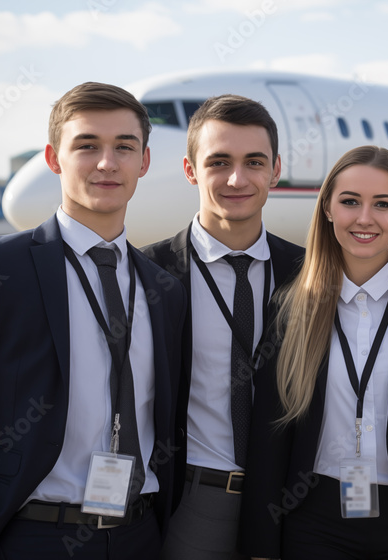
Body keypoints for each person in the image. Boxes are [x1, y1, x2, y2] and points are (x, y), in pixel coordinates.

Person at [0, 82, 187, 560]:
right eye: (87, 146)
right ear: (53, 158)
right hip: (31, 537)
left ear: (143, 161)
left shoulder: (164, 288)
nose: (107, 162)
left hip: (138, 535)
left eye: (124, 147)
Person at [240, 146, 388, 559]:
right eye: (350, 202)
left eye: (383, 204)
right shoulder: (290, 308)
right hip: (315, 521)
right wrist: (261, 544)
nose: (364, 218)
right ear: (327, 209)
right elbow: (271, 437)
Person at [142, 94, 304, 560]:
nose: (237, 178)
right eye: (219, 162)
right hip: (191, 500)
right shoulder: (149, 274)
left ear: (275, 170)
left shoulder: (309, 274)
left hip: (289, 499)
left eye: (254, 162)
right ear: (191, 170)